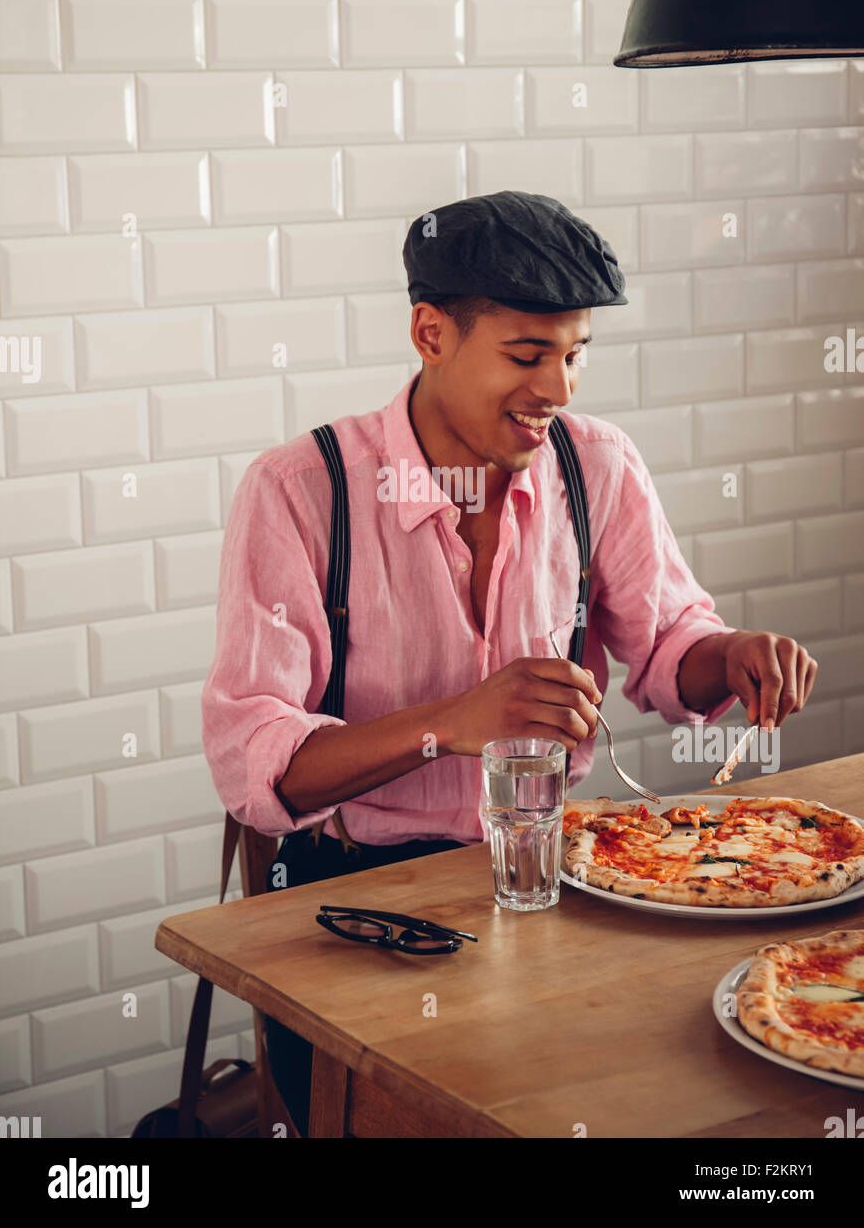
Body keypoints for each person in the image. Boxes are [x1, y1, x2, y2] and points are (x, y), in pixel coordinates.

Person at [200, 190, 818, 1135]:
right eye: (528, 357)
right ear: (430, 333)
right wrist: (453, 722)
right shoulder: (300, 491)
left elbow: (665, 651)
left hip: (560, 888)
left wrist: (728, 656)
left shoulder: (595, 465)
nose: (560, 391)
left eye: (574, 357)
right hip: (353, 914)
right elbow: (255, 767)